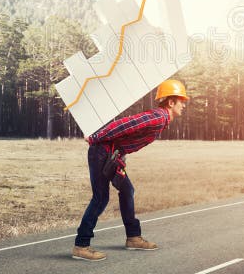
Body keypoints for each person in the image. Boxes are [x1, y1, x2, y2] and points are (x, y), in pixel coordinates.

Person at [71, 79, 189, 262]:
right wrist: (95, 138)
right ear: (171, 102)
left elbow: (127, 137)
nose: (184, 105)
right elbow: (125, 125)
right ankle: (81, 246)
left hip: (111, 155)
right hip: (102, 152)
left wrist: (120, 156)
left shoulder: (161, 119)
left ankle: (133, 238)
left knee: (127, 190)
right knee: (100, 198)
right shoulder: (158, 117)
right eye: (182, 101)